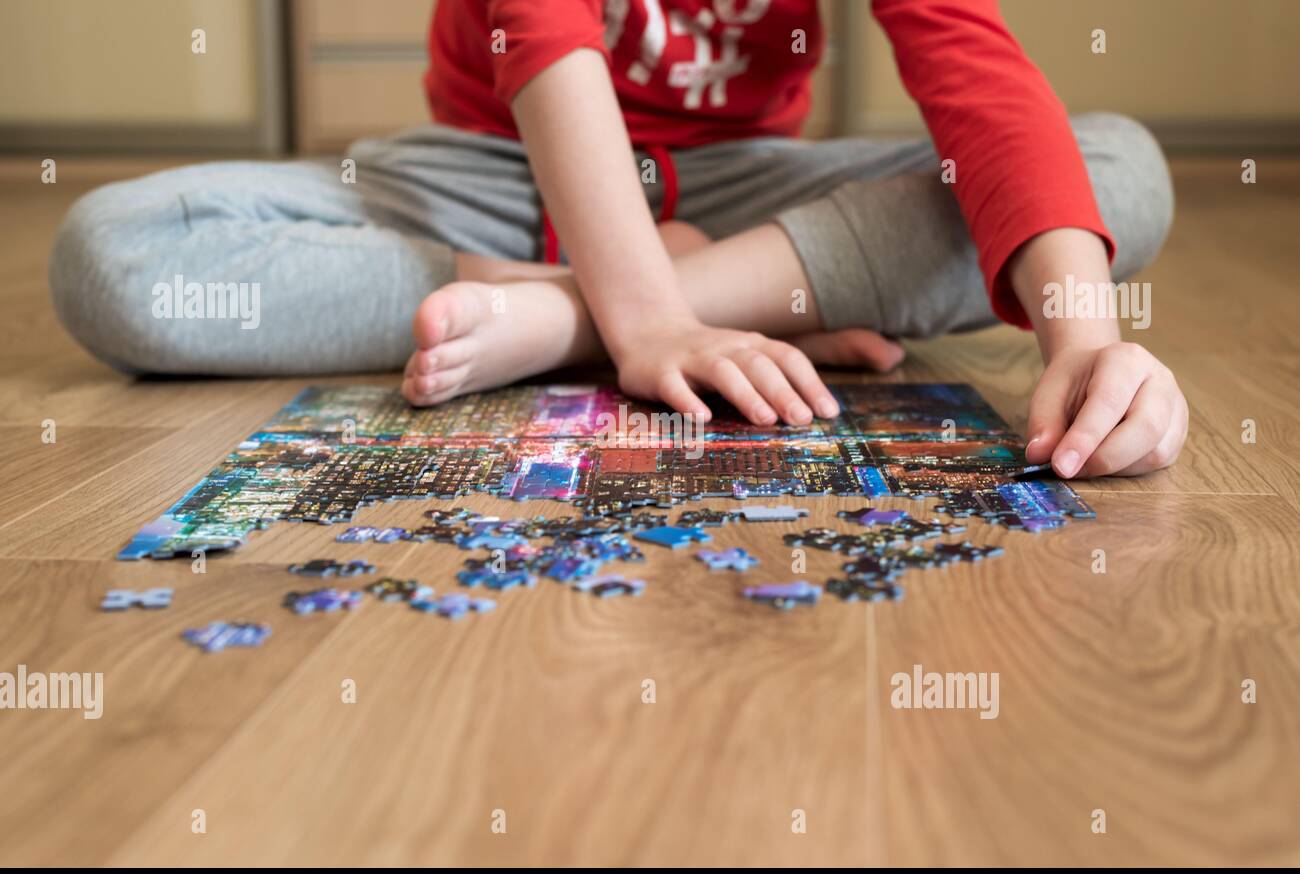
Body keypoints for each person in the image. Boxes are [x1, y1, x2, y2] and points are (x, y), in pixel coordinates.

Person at [50, 0, 1185, 478]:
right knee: (119, 252)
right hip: (504, 166)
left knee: (1118, 170)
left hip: (736, 186)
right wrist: (643, 316)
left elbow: (973, 67)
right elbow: (540, 31)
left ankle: (558, 316)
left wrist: (1083, 343)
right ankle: (700, 296)